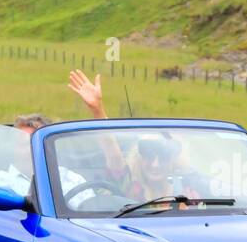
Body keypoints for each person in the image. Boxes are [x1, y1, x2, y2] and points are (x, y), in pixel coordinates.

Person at [67, 70, 198, 204]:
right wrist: (97, 110)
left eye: (163, 156)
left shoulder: (186, 192)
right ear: (138, 158)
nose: (155, 164)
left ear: (173, 160)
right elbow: (114, 156)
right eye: (149, 154)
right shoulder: (131, 189)